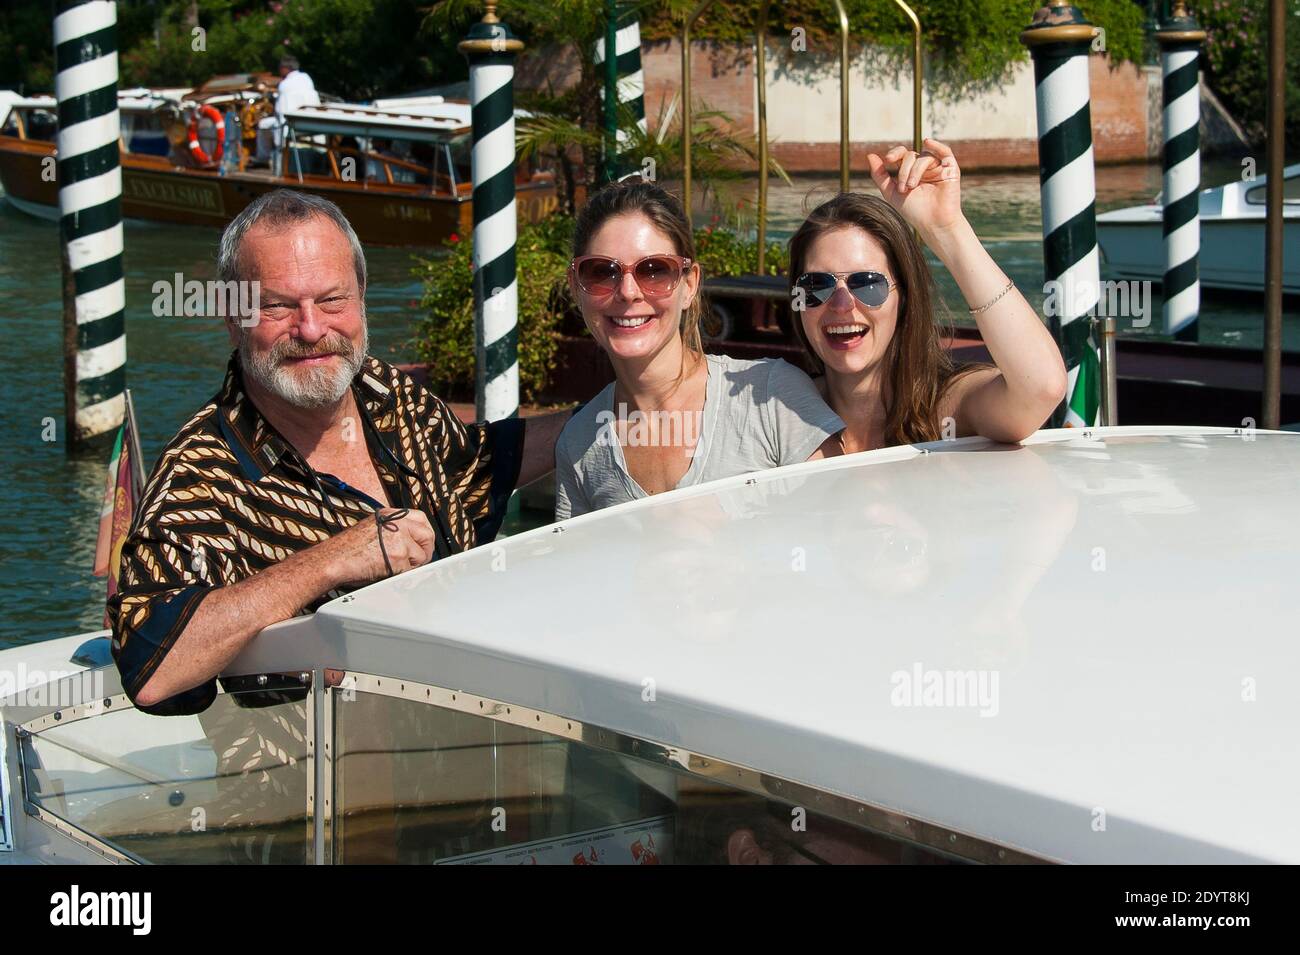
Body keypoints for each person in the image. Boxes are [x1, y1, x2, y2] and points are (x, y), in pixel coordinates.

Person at [107, 189, 568, 716]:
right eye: (278, 306)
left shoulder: (384, 391)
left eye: (332, 300)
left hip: (463, 759)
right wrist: (334, 560)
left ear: (361, 298)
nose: (311, 329)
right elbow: (152, 667)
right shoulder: (202, 473)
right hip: (309, 787)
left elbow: (473, 465)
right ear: (233, 320)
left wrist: (613, 416)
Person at [554, 179, 844, 519]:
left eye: (654, 270)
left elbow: (838, 539)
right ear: (577, 287)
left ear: (689, 284)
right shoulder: (578, 443)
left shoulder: (772, 398)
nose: (628, 292)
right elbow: (583, 570)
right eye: (602, 272)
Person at [786, 139, 1068, 452]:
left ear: (904, 296)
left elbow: (1041, 388)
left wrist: (947, 228)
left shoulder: (945, 410)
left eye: (867, 284)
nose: (842, 305)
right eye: (817, 285)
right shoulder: (779, 413)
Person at [257, 54, 320, 175]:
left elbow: (280, 112)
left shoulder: (285, 85)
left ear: (286, 68)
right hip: (308, 125)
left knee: (262, 125)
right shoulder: (306, 79)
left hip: (289, 126)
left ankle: (263, 158)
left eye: (280, 68)